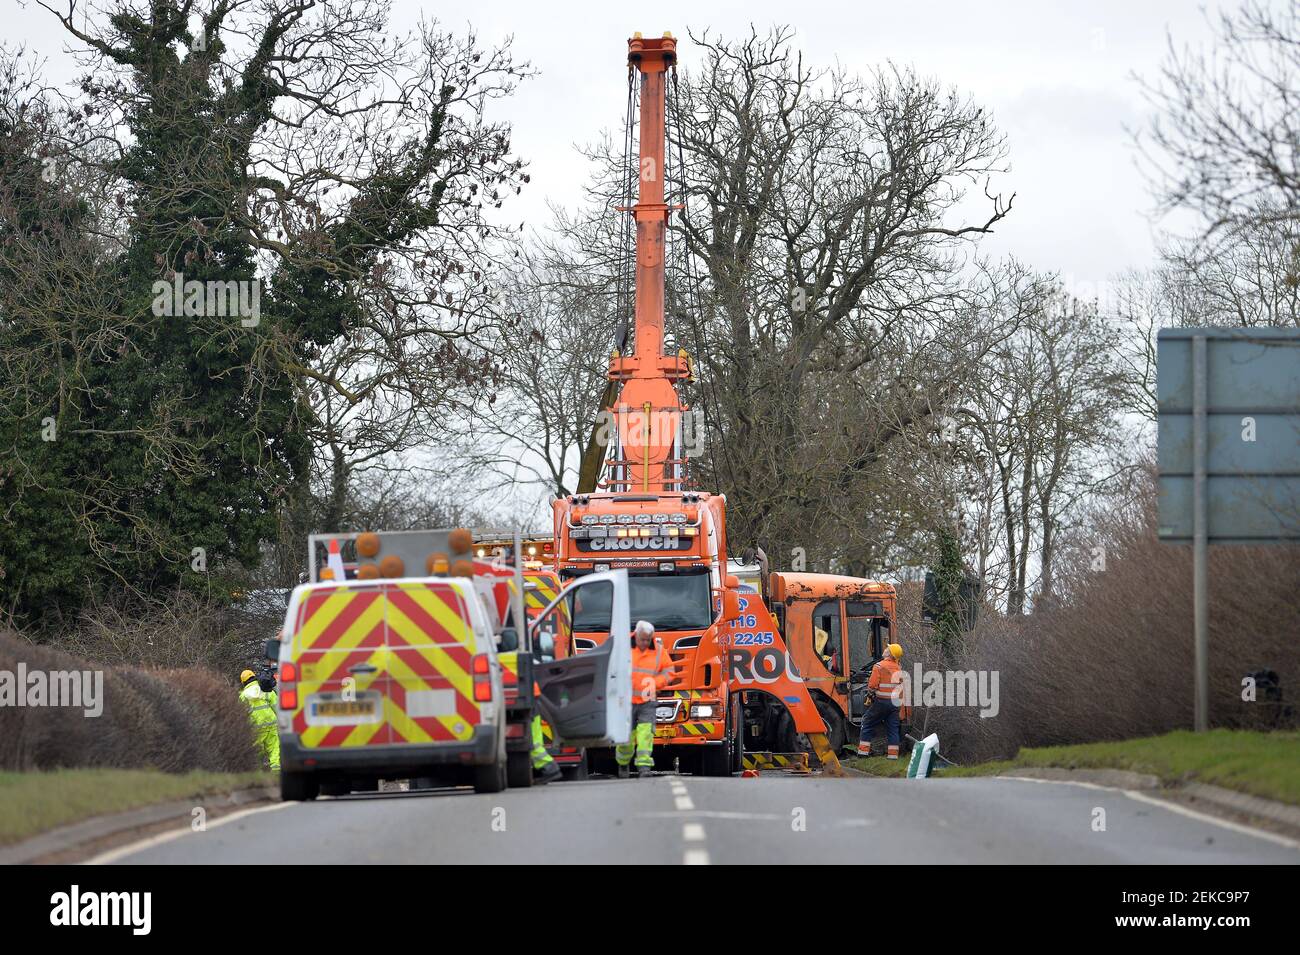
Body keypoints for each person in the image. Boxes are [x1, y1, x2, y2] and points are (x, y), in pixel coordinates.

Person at [616, 620, 671, 778]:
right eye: (643, 639)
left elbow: (669, 671)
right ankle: (623, 763)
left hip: (647, 701)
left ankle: (644, 768)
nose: (645, 643)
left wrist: (656, 682)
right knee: (626, 737)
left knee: (645, 734)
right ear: (636, 635)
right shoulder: (623, 647)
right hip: (626, 702)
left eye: (648, 639)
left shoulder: (659, 651)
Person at [857, 643, 904, 759]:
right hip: (894, 704)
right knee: (893, 729)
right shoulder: (899, 668)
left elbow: (872, 685)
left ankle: (863, 753)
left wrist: (870, 694)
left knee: (867, 723)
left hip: (881, 702)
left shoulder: (879, 666)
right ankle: (893, 757)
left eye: (887, 648)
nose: (885, 649)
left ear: (889, 653)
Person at [240, 667, 280, 771]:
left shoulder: (243, 696)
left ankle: (259, 773)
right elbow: (277, 707)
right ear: (254, 677)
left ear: (243, 682)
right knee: (274, 749)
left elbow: (241, 715)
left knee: (258, 752)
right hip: (272, 725)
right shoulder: (266, 689)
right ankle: (276, 771)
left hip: (256, 728)